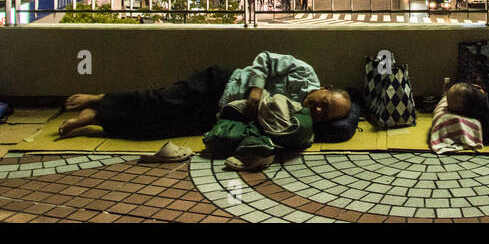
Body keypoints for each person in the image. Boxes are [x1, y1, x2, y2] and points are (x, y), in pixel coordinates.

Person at [60, 52, 352, 166]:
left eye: (324, 114)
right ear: (325, 88)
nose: (317, 110)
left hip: (220, 114)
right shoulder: (304, 73)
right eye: (323, 103)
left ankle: (98, 120)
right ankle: (100, 98)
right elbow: (265, 59)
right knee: (160, 101)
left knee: (157, 128)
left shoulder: (301, 118)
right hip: (221, 84)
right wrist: (256, 88)